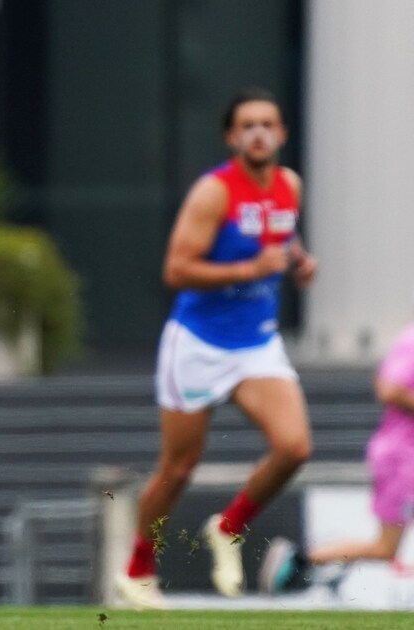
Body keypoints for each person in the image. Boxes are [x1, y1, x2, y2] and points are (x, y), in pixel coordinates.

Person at [114, 88, 319, 610]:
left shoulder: (289, 185)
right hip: (199, 344)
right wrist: (251, 270)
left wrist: (298, 261)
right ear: (232, 137)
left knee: (294, 447)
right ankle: (137, 568)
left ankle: (227, 527)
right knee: (179, 468)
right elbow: (176, 270)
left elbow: (280, 240)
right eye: (247, 125)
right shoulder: (214, 192)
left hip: (257, 343)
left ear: (282, 134)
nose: (258, 132)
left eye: (267, 124)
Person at [259, 321, 414, 595]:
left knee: (384, 548)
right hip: (403, 459)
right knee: (384, 548)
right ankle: (302, 559)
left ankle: (307, 560)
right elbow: (389, 389)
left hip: (401, 455)